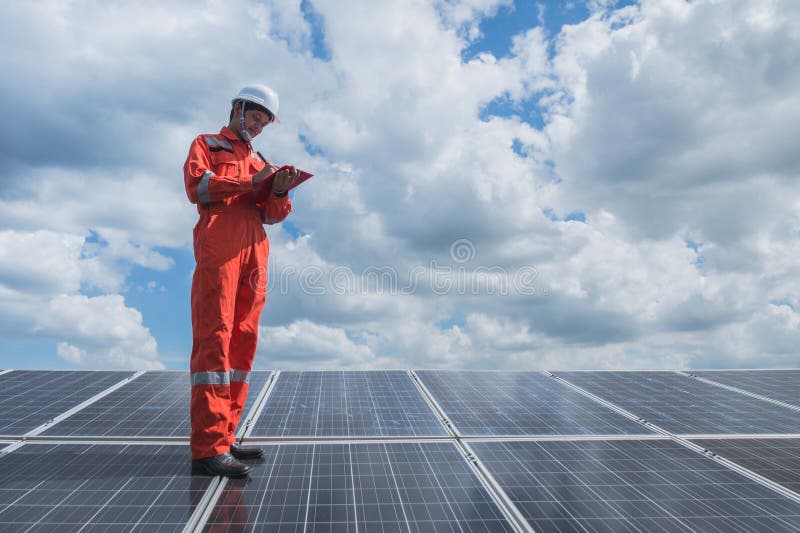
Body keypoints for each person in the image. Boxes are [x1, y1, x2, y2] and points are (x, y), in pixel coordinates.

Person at [183, 84, 298, 477]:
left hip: (255, 250)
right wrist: (251, 182)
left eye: (265, 122)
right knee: (215, 340)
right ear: (238, 107)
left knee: (243, 344)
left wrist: (279, 190)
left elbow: (272, 215)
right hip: (221, 249)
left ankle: (226, 436)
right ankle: (207, 449)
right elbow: (197, 187)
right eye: (255, 117)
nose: (259, 126)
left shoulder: (260, 158)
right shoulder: (208, 144)